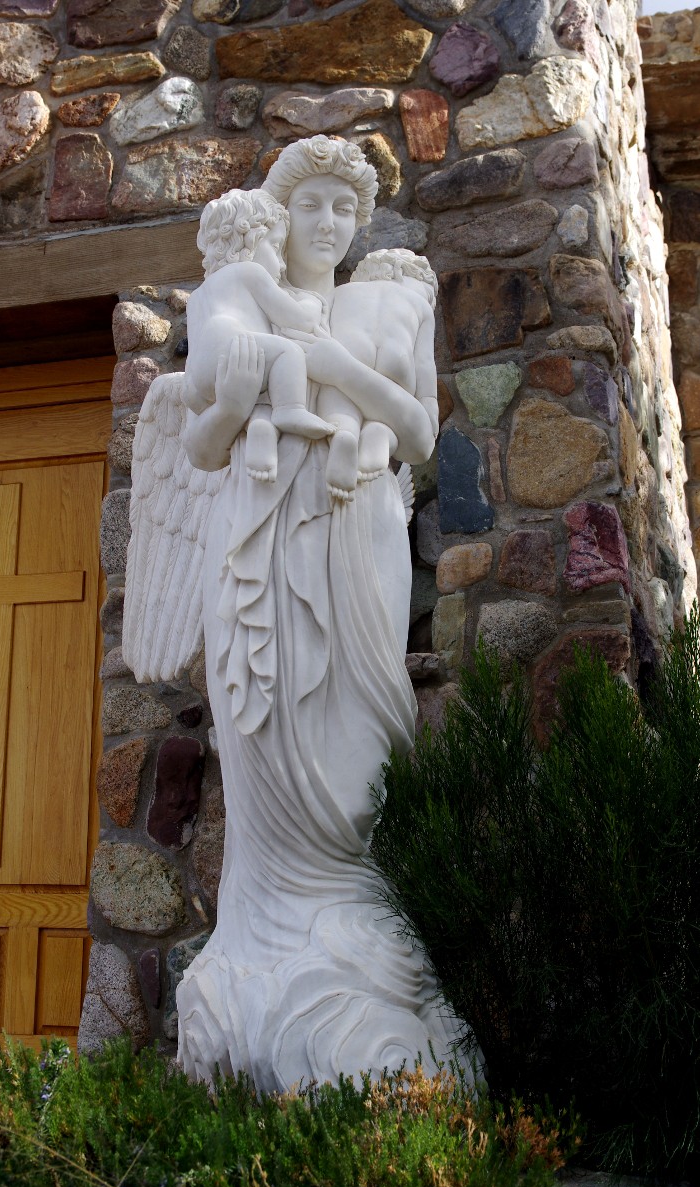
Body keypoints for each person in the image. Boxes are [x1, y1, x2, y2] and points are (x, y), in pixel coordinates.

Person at [176, 136, 476, 1093]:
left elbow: (421, 434)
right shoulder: (239, 294)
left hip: (357, 531)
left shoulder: (381, 302)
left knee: (360, 742)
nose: (329, 226)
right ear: (281, 213)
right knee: (262, 725)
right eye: (311, 206)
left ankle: (360, 950)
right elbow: (198, 438)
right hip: (256, 543)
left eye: (345, 212)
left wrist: (329, 361)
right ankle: (256, 956)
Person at [184, 188, 333, 484]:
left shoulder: (197, 297)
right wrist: (312, 303)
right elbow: (298, 320)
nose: (280, 265)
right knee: (286, 354)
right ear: (249, 240)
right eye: (276, 247)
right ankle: (291, 411)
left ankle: (259, 430)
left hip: (196, 381)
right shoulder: (250, 271)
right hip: (237, 347)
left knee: (259, 404)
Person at [318, 247, 440, 501]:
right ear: (398, 274)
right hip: (397, 363)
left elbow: (319, 328)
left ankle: (344, 434)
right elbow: (425, 365)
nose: (428, 300)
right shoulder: (420, 307)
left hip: (350, 348)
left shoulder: (339, 293)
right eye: (429, 294)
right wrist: (430, 407)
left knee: (338, 396)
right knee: (386, 421)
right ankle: (383, 435)